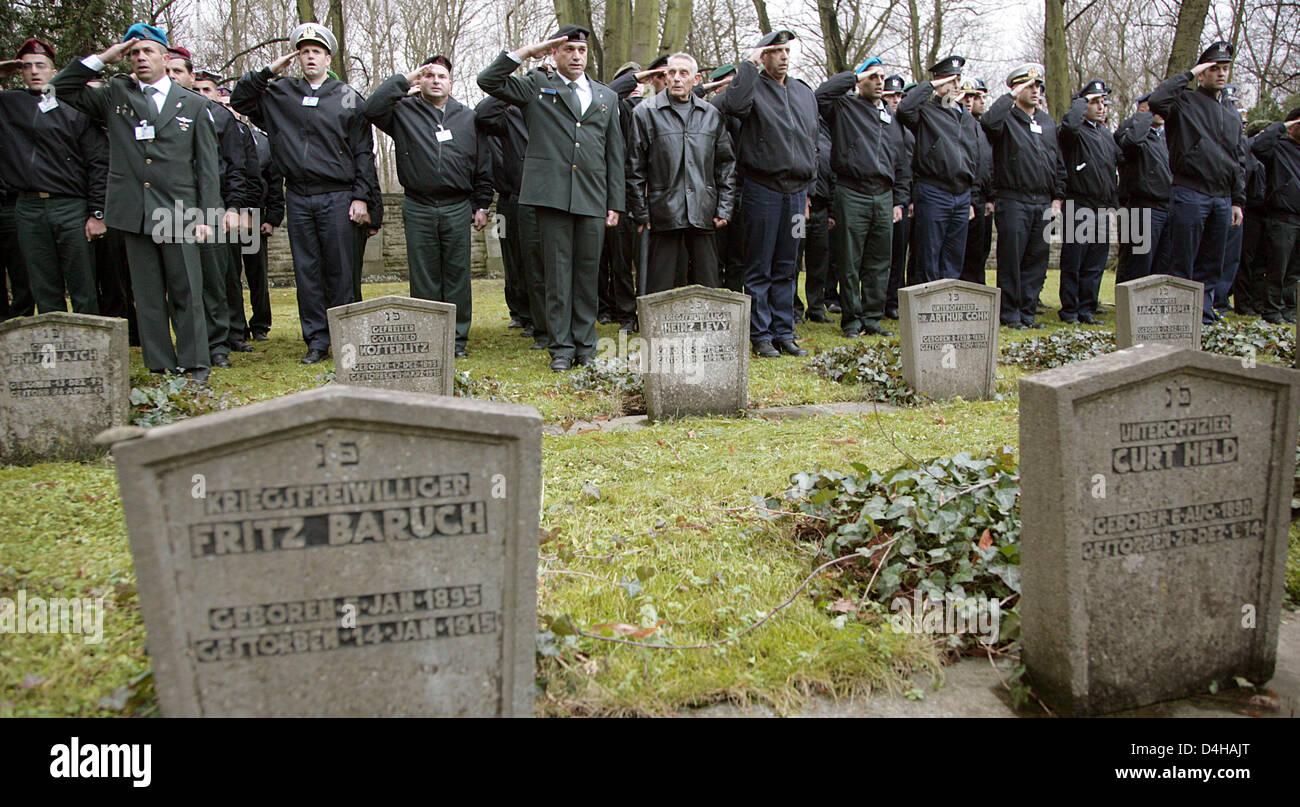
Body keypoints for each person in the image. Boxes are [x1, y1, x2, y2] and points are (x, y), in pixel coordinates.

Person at [52, 23, 221, 380]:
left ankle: (195, 365)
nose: (140, 58)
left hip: (179, 211)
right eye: (134, 53)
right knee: (146, 297)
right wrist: (104, 57)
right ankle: (160, 365)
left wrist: (208, 216)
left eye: (147, 51)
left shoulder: (192, 103)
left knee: (186, 291)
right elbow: (62, 88)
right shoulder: (116, 95)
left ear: (165, 56)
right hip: (134, 211)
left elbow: (206, 167)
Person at [478, 25, 625, 372]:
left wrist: (615, 202)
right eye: (568, 50)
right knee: (557, 275)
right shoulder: (536, 87)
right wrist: (527, 52)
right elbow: (489, 81)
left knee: (589, 276)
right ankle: (561, 348)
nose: (576, 56)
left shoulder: (606, 96)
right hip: (552, 197)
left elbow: (614, 153)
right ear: (555, 53)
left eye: (581, 51)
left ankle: (586, 347)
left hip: (592, 196)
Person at [231, 22, 379, 364]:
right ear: (297, 57)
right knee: (307, 271)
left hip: (338, 194)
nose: (310, 57)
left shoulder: (346, 96)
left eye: (317, 51)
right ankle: (316, 340)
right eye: (304, 51)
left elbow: (362, 151)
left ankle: (347, 339)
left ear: (328, 57)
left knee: (341, 271)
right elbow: (240, 100)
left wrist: (361, 196)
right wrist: (268, 72)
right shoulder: (280, 94)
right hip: (298, 195)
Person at [365, 56, 492, 356]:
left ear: (451, 82)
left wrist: (482, 203)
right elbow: (371, 108)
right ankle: (428, 335)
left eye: (442, 76)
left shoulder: (467, 117)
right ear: (420, 81)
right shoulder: (403, 112)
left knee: (457, 275)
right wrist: (406, 79)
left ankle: (457, 339)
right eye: (429, 75)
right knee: (424, 276)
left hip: (456, 205)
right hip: (418, 205)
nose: (436, 80)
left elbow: (481, 165)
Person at [712, 29, 818, 358]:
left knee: (788, 263)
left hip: (798, 195)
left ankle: (784, 331)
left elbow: (811, 142)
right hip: (763, 190)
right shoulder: (751, 87)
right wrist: (748, 64)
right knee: (759, 264)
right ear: (764, 55)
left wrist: (810, 192)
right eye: (775, 51)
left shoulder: (803, 92)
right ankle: (760, 335)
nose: (783, 57)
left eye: (787, 51)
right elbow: (732, 106)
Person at [0, 38, 108, 314]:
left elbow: (98, 161)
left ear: (53, 70)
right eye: (26, 67)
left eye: (41, 65)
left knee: (82, 284)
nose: (34, 71)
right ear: (20, 73)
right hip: (28, 207)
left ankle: (90, 347)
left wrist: (98, 212)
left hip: (71, 206)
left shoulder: (73, 105)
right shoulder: (10, 104)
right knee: (43, 283)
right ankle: (54, 348)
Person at [1148, 40, 1247, 324]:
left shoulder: (1230, 111)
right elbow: (1158, 100)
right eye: (1214, 68)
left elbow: (1237, 157)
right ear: (1203, 73)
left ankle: (1203, 314)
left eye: (1225, 68)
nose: (1220, 73)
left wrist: (1237, 200)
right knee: (1183, 260)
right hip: (1190, 191)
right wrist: (1190, 74)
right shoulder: (1185, 101)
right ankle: (1179, 315)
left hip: (1222, 196)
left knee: (1212, 262)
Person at [626, 52, 737, 295]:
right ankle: (656, 333)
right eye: (671, 73)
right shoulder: (645, 113)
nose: (676, 79)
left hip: (703, 210)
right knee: (660, 286)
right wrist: (641, 212)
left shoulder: (711, 115)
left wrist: (724, 208)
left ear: (696, 79)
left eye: (683, 73)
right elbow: (634, 168)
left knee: (708, 284)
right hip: (663, 211)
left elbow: (726, 166)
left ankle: (708, 332)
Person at [815, 57, 911, 338]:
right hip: (852, 190)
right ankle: (852, 319)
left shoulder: (890, 117)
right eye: (873, 77)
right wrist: (854, 76)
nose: (880, 82)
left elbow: (901, 161)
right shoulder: (845, 106)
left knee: (880, 260)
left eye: (882, 76)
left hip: (883, 194)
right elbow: (821, 95)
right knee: (850, 260)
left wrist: (899, 200)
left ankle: (872, 317)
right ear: (861, 81)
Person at [168, 56, 255, 366]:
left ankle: (218, 344)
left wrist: (233, 207)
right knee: (179, 281)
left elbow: (235, 166)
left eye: (178, 71)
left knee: (215, 278)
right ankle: (190, 343)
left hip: (211, 204)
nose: (172, 76)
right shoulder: (153, 110)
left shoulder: (218, 115)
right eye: (167, 71)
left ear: (191, 76)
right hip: (171, 205)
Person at [980, 63, 1065, 329]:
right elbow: (988, 123)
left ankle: (1028, 313)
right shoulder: (1005, 118)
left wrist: (1057, 198)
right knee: (1012, 261)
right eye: (1029, 86)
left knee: (1036, 261)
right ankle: (1010, 314)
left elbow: (1057, 161)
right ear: (1016, 88)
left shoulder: (1046, 122)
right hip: (1013, 199)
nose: (1035, 91)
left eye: (1038, 86)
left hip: (1043, 202)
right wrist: (1010, 97)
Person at [897, 55, 979, 282]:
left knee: (953, 256)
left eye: (958, 80)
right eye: (949, 80)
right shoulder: (926, 111)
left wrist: (972, 196)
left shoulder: (967, 118)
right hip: (934, 191)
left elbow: (975, 156)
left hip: (962, 194)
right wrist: (931, 86)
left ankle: (947, 308)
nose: (955, 85)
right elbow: (904, 109)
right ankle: (926, 308)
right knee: (929, 255)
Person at [476, 94, 546, 349]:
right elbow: (483, 112)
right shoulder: (503, 117)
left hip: (531, 196)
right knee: (511, 256)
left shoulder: (538, 117)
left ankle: (534, 316)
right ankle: (519, 311)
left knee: (532, 257)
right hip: (506, 200)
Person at [1057, 78, 1120, 324]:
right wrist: (1081, 103)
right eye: (1095, 102)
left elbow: (1111, 171)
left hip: (1103, 207)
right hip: (1079, 204)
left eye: (1103, 102)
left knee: (1095, 263)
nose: (1101, 106)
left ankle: (1087, 309)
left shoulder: (1105, 134)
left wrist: (1113, 206)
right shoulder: (1074, 132)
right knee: (1075, 261)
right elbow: (1069, 125)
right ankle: (1070, 310)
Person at [1114, 93, 1173, 282]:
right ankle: (1131, 309)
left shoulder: (1166, 137)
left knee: (1162, 265)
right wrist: (1144, 116)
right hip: (1143, 207)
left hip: (1167, 206)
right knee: (1138, 265)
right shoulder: (1132, 131)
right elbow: (1129, 143)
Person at [1251, 109, 1300, 323]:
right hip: (1281, 217)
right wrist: (1283, 125)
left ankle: (1289, 309)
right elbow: (1257, 146)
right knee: (1277, 267)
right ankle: (1272, 309)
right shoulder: (1278, 147)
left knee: (1295, 270)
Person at [958, 78, 994, 286]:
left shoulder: (983, 129)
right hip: (960, 195)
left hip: (981, 197)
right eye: (967, 95)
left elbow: (989, 164)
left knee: (979, 251)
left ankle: (976, 291)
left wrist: (990, 196)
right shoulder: (955, 125)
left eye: (975, 97)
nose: (971, 101)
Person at [882, 74, 911, 318]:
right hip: (880, 195)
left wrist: (903, 200)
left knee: (899, 255)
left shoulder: (906, 126)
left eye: (899, 95)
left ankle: (893, 300)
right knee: (880, 256)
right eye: (890, 95)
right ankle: (878, 300)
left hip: (902, 198)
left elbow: (905, 167)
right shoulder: (879, 122)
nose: (895, 100)